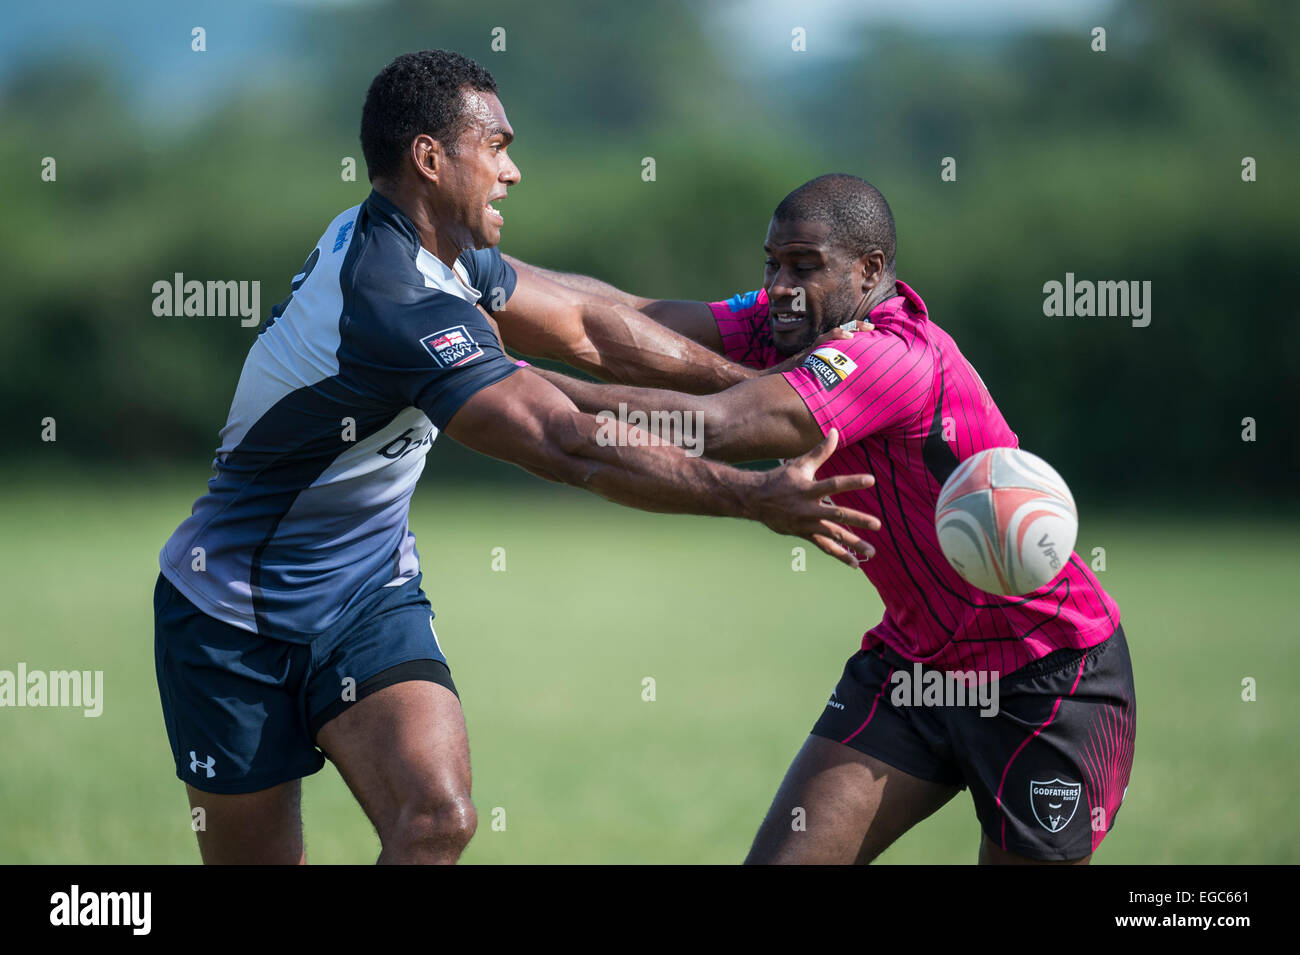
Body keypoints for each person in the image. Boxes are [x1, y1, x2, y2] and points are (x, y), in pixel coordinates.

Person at [153, 52, 880, 865]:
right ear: (430, 159)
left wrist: (768, 387)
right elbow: (567, 443)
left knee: (437, 816)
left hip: (365, 594)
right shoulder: (393, 301)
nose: (513, 171)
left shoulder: (441, 257)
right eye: (495, 148)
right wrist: (749, 494)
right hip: (230, 614)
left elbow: (593, 326)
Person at [529, 173, 1136, 865]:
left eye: (804, 265)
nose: (780, 284)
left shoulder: (892, 355)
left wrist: (510, 384)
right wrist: (477, 279)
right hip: (915, 666)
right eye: (772, 262)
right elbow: (627, 318)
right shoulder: (795, 319)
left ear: (869, 269)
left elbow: (716, 428)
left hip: (1048, 675)